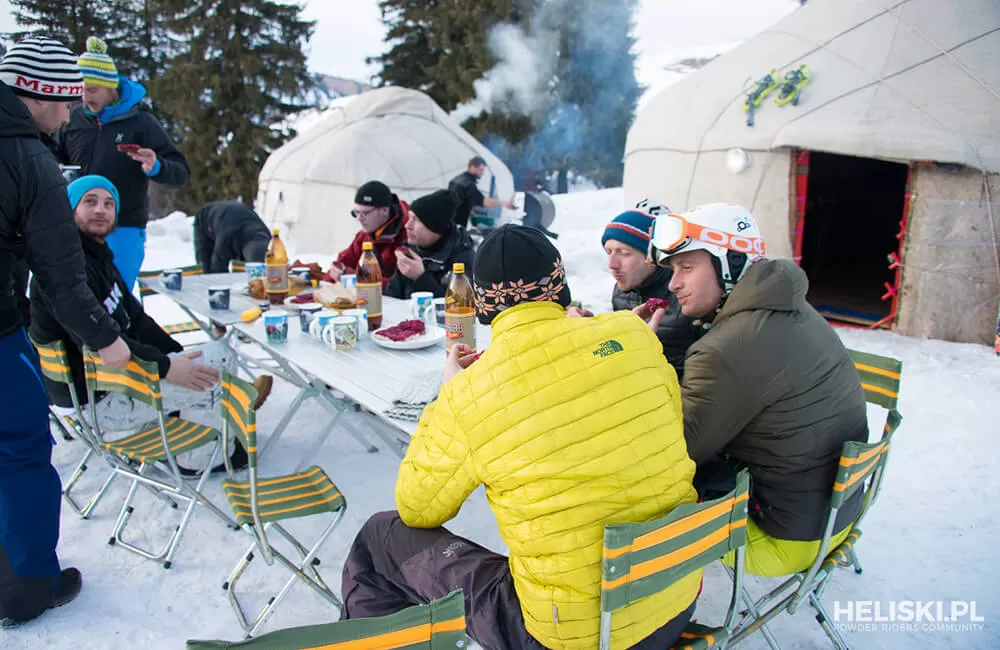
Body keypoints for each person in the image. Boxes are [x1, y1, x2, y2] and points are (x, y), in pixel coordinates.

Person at [341, 225, 699, 649]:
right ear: (558, 282)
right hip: (675, 598)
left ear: (482, 301)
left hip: (575, 637)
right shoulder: (633, 336)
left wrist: (451, 392)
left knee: (380, 537)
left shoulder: (473, 391)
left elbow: (417, 508)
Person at [642, 202, 869, 577]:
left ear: (730, 263)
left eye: (686, 266)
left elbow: (674, 453)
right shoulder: (790, 308)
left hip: (783, 539)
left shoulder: (726, 348)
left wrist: (639, 362)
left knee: (636, 485)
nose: (672, 283)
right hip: (833, 515)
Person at [0, 36, 132, 628]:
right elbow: (60, 275)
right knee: (22, 450)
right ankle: (29, 585)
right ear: (40, 94)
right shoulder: (29, 159)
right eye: (66, 97)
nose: (72, 110)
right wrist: (106, 338)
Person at [29, 176, 272, 472]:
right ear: (71, 210)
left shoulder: (98, 258)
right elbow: (99, 342)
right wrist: (168, 367)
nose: (100, 210)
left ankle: (200, 430)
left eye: (108, 204)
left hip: (110, 381)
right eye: (89, 202)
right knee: (218, 365)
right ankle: (202, 458)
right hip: (98, 401)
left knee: (209, 357)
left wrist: (176, 355)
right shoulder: (65, 271)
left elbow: (137, 320)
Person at [53, 36, 190, 291]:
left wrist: (156, 165)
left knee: (116, 298)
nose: (84, 97)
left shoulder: (141, 123)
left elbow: (180, 172)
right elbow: (53, 156)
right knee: (78, 298)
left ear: (110, 87)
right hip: (77, 226)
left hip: (123, 227)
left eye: (92, 90)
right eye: (80, 89)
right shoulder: (72, 119)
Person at [570, 200, 699, 380]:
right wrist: (595, 330)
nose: (612, 264)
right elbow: (619, 349)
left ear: (652, 256)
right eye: (609, 252)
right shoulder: (622, 293)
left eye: (624, 253)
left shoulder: (686, 292)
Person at [385, 189, 474, 299]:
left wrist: (420, 278)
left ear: (434, 227)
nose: (407, 225)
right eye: (409, 218)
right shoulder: (410, 249)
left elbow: (460, 304)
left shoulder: (461, 255)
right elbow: (392, 298)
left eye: (415, 220)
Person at [324, 180, 409, 287]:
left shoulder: (409, 235)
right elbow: (344, 262)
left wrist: (359, 278)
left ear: (384, 210)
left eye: (365, 213)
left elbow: (403, 287)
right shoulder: (364, 235)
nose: (359, 219)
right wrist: (334, 273)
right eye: (356, 213)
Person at [193, 200, 272, 274]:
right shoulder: (225, 240)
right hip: (204, 220)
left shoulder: (268, 237)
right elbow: (217, 268)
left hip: (233, 218)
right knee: (205, 268)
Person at [448, 156, 517, 230]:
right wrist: (504, 203)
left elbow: (458, 200)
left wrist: (470, 211)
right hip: (456, 225)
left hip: (448, 221)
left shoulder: (455, 180)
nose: (482, 173)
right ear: (472, 167)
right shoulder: (469, 185)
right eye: (481, 170)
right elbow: (485, 202)